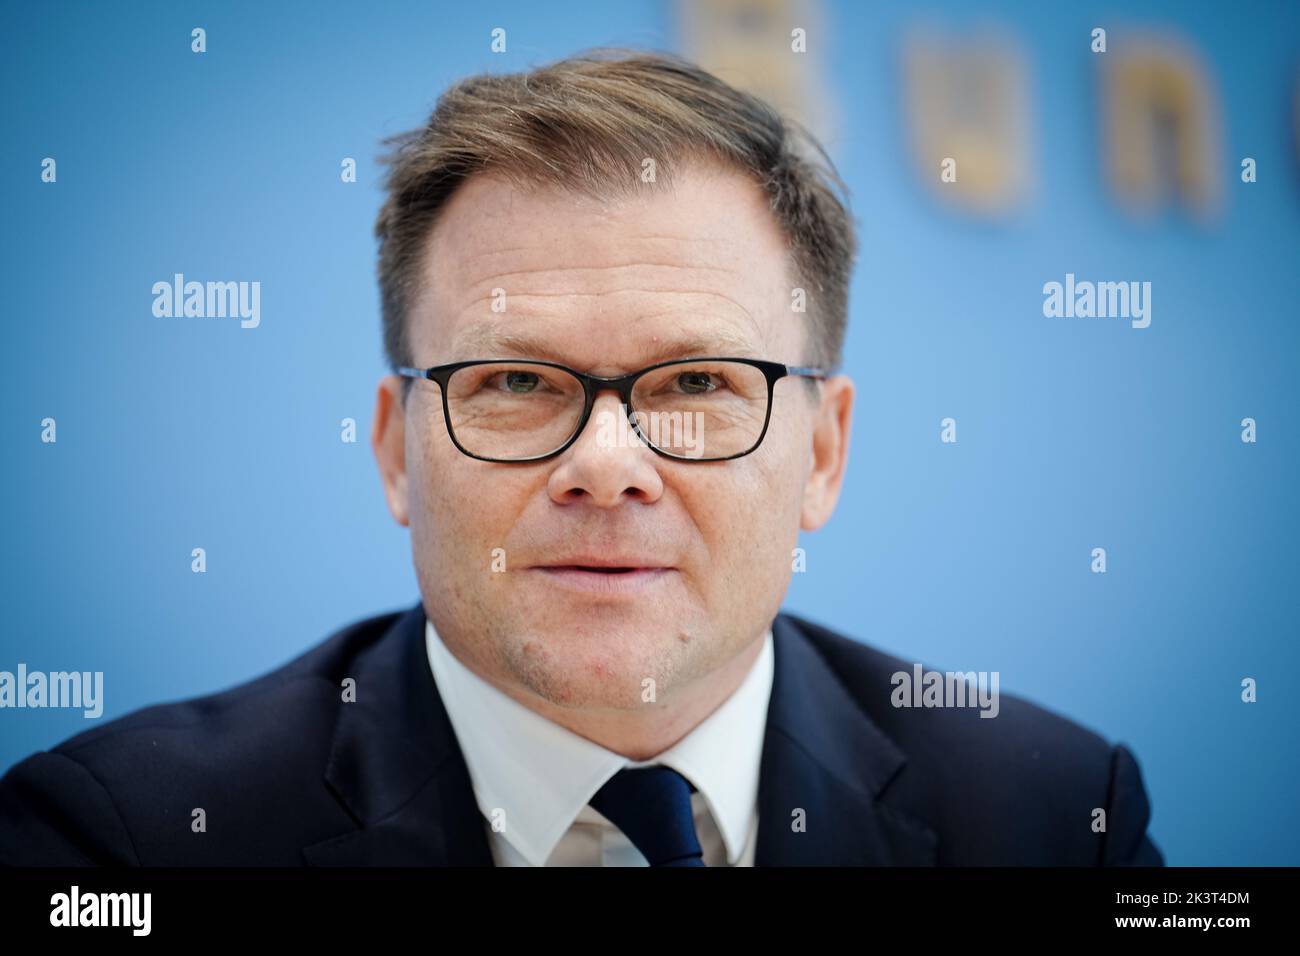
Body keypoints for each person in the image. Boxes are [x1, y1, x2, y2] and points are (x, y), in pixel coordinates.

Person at [0, 49, 1162, 866]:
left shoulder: (1055, 814)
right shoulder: (123, 835)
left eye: (698, 381)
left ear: (824, 451)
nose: (606, 465)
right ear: (397, 451)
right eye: (514, 381)